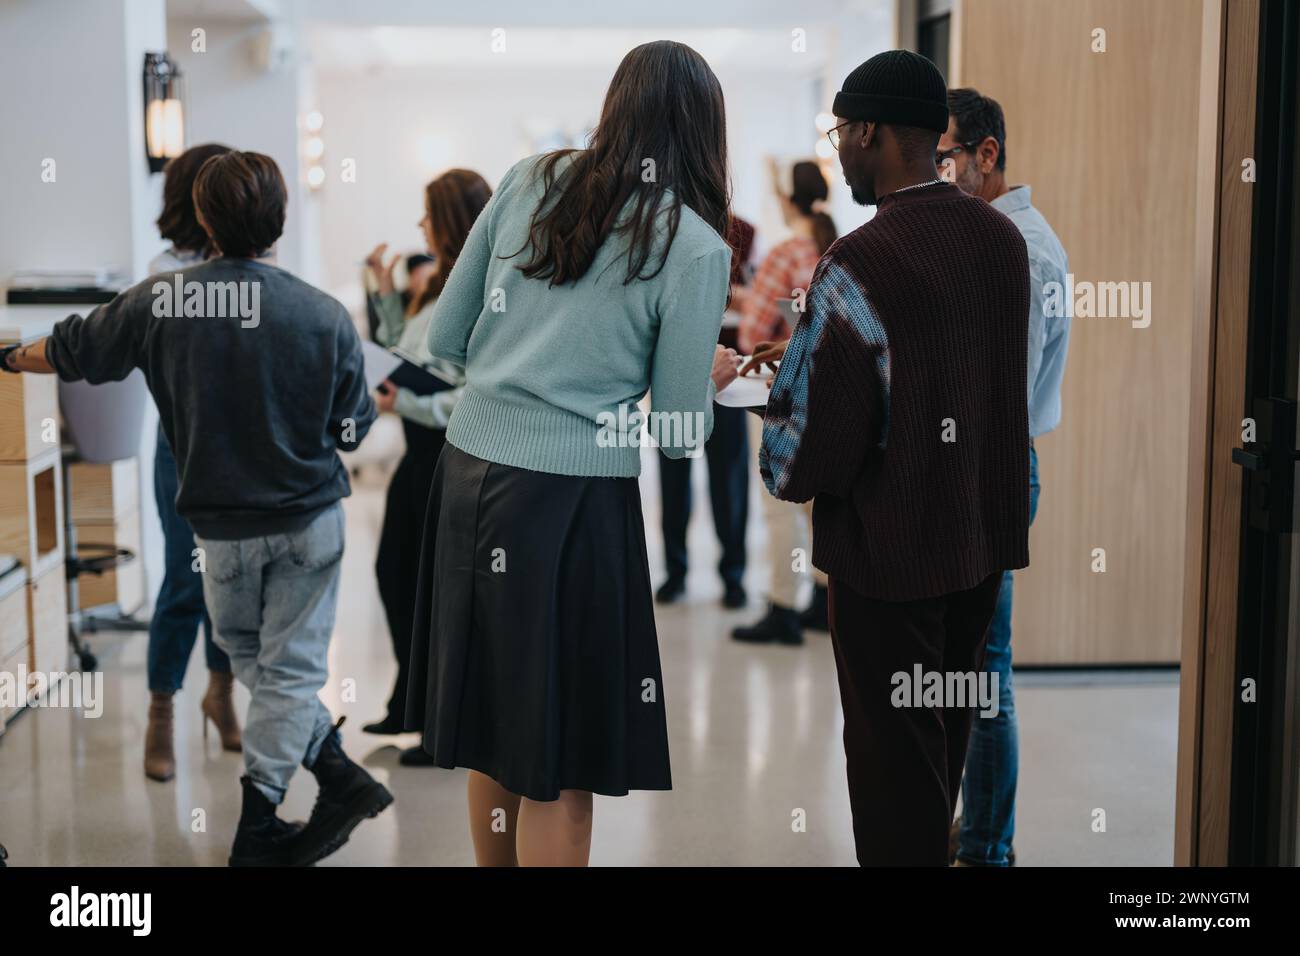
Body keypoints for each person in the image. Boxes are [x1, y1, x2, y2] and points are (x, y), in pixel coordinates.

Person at [1, 151, 390, 867]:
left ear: (205, 221)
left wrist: (5, 357)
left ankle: (296, 797)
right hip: (309, 523)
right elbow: (353, 428)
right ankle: (289, 805)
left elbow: (76, 349)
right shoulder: (323, 314)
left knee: (252, 660)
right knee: (284, 672)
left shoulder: (164, 301)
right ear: (279, 221)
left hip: (218, 531)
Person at [405, 40, 739, 867]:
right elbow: (677, 433)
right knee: (562, 763)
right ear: (704, 133)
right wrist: (705, 375)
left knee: (496, 729)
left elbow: (444, 339)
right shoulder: (695, 247)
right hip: (572, 502)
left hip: (464, 475)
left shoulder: (526, 178)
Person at [754, 50, 1031, 866]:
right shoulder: (999, 242)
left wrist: (784, 403)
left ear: (870, 131)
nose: (838, 151)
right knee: (936, 756)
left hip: (888, 562)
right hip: (978, 548)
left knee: (888, 777)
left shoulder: (858, 263)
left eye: (842, 132)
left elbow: (807, 458)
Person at [940, 88, 1070, 868]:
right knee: (963, 671)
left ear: (987, 155)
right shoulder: (985, 235)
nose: (938, 169)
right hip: (975, 468)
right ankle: (974, 829)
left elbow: (1001, 397)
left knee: (985, 679)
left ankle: (987, 848)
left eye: (948, 155)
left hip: (989, 473)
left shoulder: (1020, 249)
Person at [360, 169, 490, 769]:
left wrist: (403, 399)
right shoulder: (435, 284)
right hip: (418, 451)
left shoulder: (484, 287)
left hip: (447, 448)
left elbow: (471, 389)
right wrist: (385, 293)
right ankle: (412, 701)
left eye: (427, 214)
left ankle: (439, 719)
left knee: (430, 583)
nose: (418, 227)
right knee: (399, 573)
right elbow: (404, 353)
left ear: (452, 219)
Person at [141, 142, 241, 782]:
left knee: (228, 582)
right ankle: (160, 713)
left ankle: (221, 693)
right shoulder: (163, 270)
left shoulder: (246, 263)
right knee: (184, 580)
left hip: (237, 448)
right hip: (182, 446)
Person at [732, 160, 838, 646]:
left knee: (780, 507)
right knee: (820, 504)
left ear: (786, 200)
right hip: (835, 397)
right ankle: (822, 601)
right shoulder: (837, 248)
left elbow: (755, 334)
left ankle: (781, 607)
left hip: (784, 398)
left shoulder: (784, 253)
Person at [654, 214, 753, 609]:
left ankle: (733, 575)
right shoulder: (668, 228)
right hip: (675, 371)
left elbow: (751, 297)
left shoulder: (742, 231)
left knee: (728, 480)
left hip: (726, 377)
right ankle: (675, 572)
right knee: (673, 479)